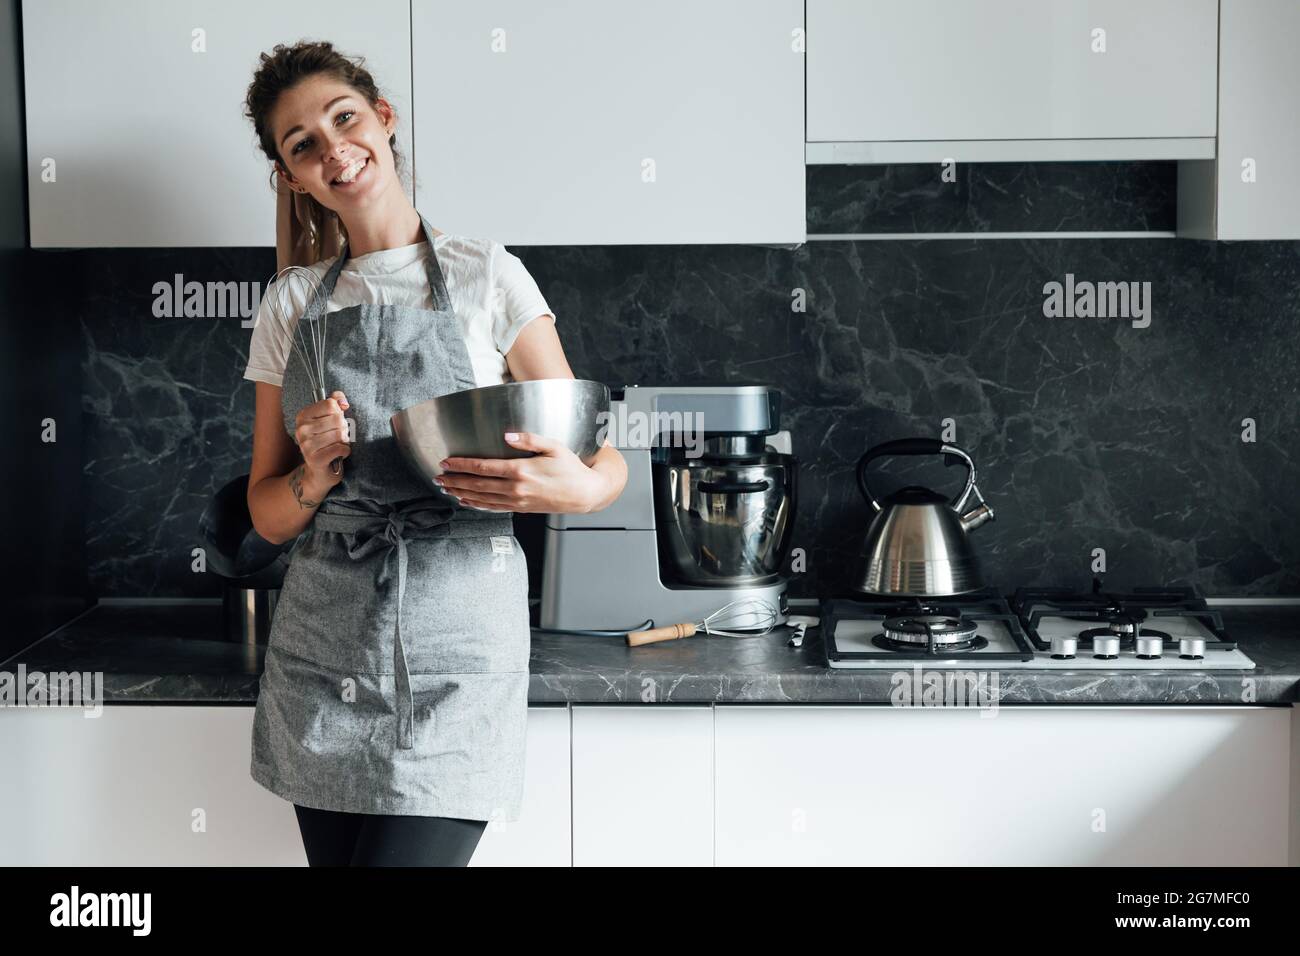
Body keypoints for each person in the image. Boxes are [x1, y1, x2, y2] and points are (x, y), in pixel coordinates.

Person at [241, 40, 627, 867]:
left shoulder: (488, 275)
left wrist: (582, 492)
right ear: (292, 175)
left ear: (383, 120)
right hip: (324, 644)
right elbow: (266, 517)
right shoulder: (290, 305)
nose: (331, 147)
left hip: (460, 644)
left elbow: (604, 457)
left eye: (343, 118)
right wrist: (311, 477)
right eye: (302, 143)